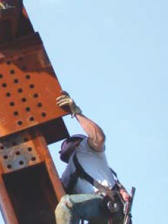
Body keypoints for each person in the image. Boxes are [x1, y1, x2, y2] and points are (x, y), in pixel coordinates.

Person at [55, 91, 132, 224]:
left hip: (110, 207)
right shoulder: (68, 177)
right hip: (102, 214)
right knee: (68, 204)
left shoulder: (87, 149)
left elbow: (98, 137)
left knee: (67, 204)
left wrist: (76, 112)